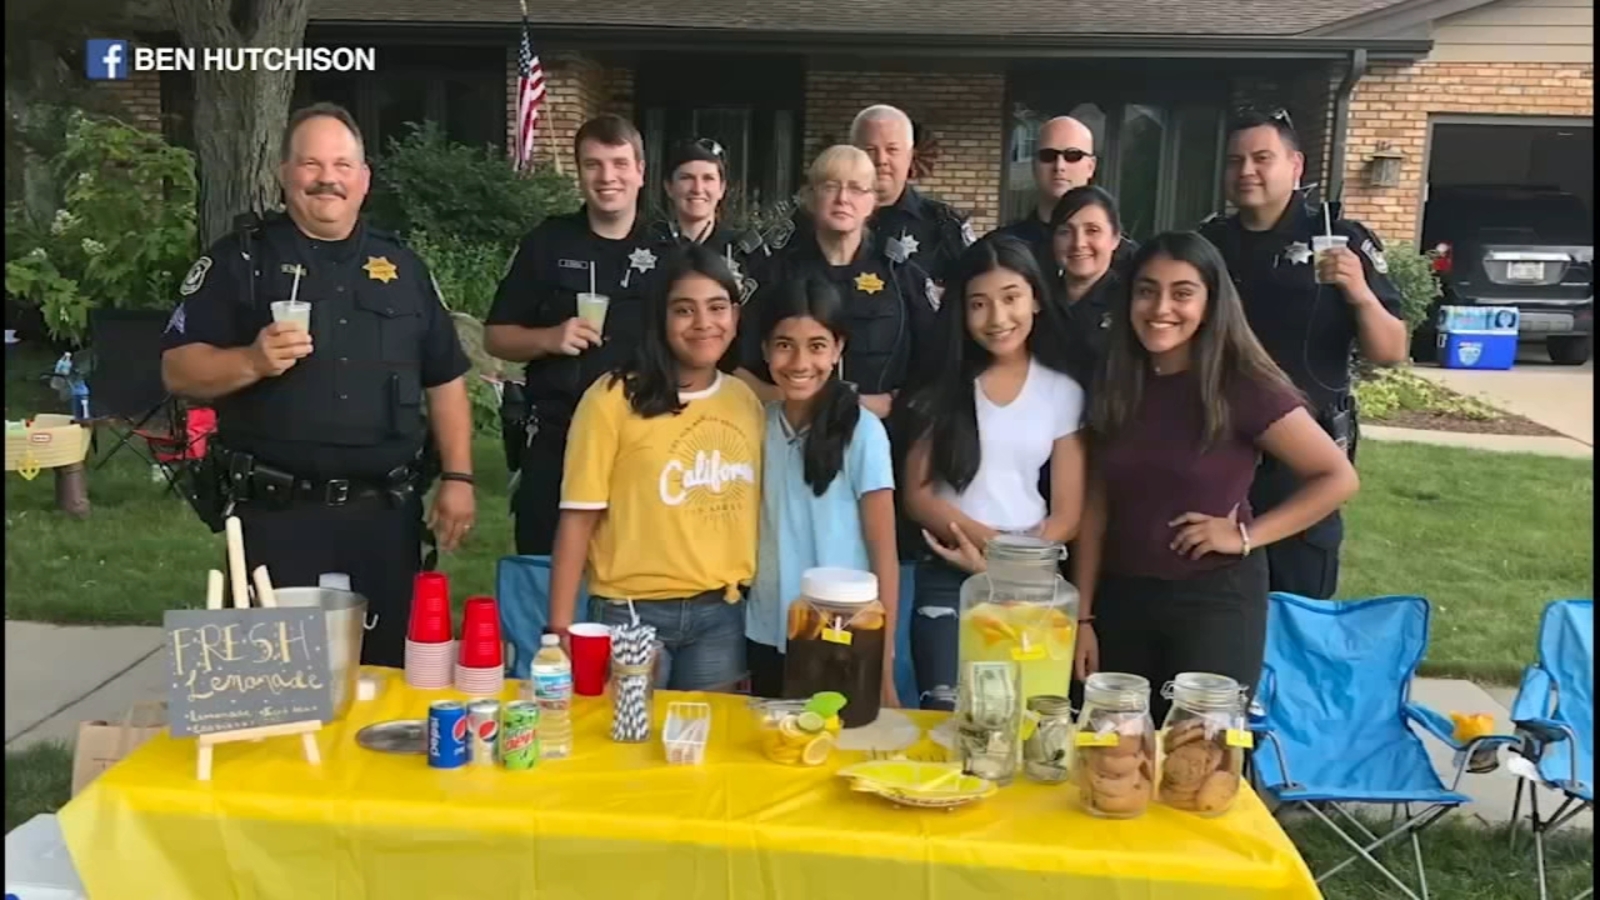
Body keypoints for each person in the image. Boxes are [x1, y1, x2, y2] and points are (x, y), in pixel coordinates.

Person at [159, 102, 476, 668]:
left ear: (364, 180)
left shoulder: (402, 268)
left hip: (386, 519)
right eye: (310, 163)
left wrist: (458, 477)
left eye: (341, 165)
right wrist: (251, 361)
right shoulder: (241, 261)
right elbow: (178, 370)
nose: (327, 178)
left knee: (392, 685)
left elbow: (445, 378)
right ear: (284, 174)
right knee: (279, 693)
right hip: (280, 519)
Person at [1071, 231, 1360, 723]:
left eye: (1183, 292)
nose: (1161, 307)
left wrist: (1246, 536)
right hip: (1121, 600)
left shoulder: (1240, 384)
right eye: (1147, 290)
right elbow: (1096, 504)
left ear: (1211, 303)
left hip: (1213, 603)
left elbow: (1337, 477)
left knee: (1197, 764)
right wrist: (1082, 615)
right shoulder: (1116, 378)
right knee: (1112, 758)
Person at [1199, 109, 1405, 599]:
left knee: (1296, 616)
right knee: (1213, 607)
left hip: (1303, 464)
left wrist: (1358, 292)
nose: (1246, 170)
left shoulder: (1340, 239)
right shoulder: (1208, 245)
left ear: (1295, 166)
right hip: (1217, 451)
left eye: (1261, 158)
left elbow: (1391, 350)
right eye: (1235, 161)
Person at [545, 244, 764, 692]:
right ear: (660, 319)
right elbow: (578, 515)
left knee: (702, 752)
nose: (704, 323)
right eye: (684, 310)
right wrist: (559, 629)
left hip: (720, 615)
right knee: (624, 748)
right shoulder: (612, 399)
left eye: (717, 307)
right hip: (630, 615)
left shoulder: (745, 399)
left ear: (736, 317)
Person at [897, 235, 1088, 710]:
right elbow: (917, 496)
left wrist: (1007, 565)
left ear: (1037, 299)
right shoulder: (940, 385)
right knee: (946, 717)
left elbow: (1069, 511)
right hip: (948, 568)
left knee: (1022, 716)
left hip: (1032, 575)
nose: (997, 318)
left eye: (1011, 298)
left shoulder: (1063, 391)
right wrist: (989, 549)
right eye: (979, 304)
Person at [486, 115, 672, 556]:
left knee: (635, 576)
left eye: (619, 163)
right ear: (580, 172)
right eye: (593, 165)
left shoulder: (668, 253)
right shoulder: (548, 244)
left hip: (641, 446)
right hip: (558, 441)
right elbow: (496, 337)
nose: (608, 177)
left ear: (640, 172)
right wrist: (549, 338)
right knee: (546, 571)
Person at [745, 273, 900, 704]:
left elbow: (884, 552)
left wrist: (882, 660)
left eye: (816, 345)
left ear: (838, 350)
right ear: (765, 350)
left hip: (841, 632)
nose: (799, 362)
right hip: (766, 630)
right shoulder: (757, 425)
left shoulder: (863, 431)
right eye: (784, 345)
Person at [735, 145, 941, 421]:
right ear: (810, 196)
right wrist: (798, 401)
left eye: (857, 189)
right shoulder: (774, 274)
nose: (843, 198)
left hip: (884, 437)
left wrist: (889, 403)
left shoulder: (901, 276)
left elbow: (938, 366)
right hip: (790, 431)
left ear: (873, 202)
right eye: (830, 187)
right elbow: (736, 366)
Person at [851, 104, 973, 284]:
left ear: (909, 156)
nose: (881, 160)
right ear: (852, 154)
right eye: (870, 150)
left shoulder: (944, 225)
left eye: (892, 150)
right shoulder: (819, 218)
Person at [649, 138, 760, 304]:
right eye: (686, 178)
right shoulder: (647, 245)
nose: (697, 189)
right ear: (669, 187)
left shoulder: (746, 252)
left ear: (721, 189)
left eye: (708, 178)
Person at [996, 116, 1099, 276]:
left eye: (1073, 155)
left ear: (1091, 166)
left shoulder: (1120, 255)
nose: (1059, 166)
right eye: (1048, 156)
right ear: (1034, 165)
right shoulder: (1000, 248)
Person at [1049, 186, 1136, 365]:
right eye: (1065, 232)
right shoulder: (1036, 300)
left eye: (1092, 230)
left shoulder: (1129, 304)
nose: (1078, 243)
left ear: (1115, 239)